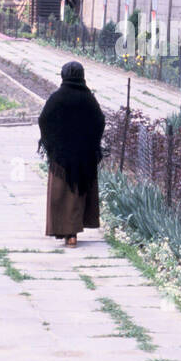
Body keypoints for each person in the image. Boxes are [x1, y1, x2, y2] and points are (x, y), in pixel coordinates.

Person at [37, 61, 105, 247]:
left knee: (62, 195)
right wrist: (90, 145)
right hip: (83, 157)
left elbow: (44, 120)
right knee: (77, 195)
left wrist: (52, 145)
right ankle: (72, 235)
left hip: (61, 157)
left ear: (64, 75)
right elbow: (99, 121)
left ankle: (68, 233)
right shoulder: (88, 98)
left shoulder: (58, 98)